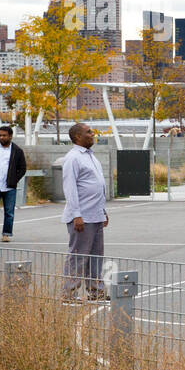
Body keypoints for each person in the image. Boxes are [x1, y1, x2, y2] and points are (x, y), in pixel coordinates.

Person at [61, 122, 109, 304]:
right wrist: (76, 214)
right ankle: (69, 294)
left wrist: (103, 211)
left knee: (96, 256)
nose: (92, 134)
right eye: (88, 132)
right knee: (78, 256)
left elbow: (97, 186)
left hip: (95, 215)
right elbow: (70, 188)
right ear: (78, 137)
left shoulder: (91, 157)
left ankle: (96, 292)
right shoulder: (73, 158)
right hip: (82, 217)